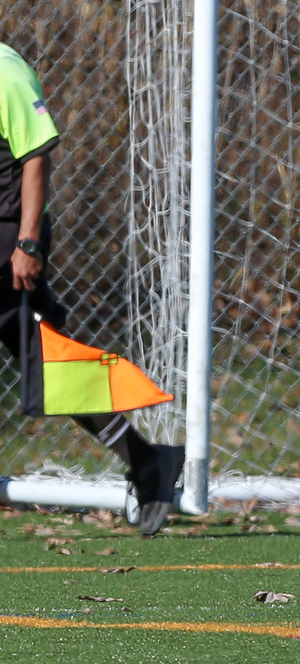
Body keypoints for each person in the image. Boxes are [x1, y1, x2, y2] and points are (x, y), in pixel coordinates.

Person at [0, 42, 183, 536]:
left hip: (9, 238)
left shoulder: (5, 70)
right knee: (48, 364)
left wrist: (28, 241)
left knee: (47, 362)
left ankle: (148, 460)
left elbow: (36, 159)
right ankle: (147, 460)